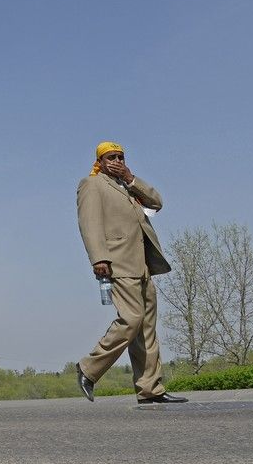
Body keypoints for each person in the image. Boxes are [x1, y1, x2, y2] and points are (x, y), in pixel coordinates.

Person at [75, 142, 187, 404]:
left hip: (143, 265)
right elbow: (89, 223)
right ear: (100, 162)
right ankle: (89, 368)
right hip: (117, 262)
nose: (117, 161)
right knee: (131, 319)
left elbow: (156, 202)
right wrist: (99, 258)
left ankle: (150, 389)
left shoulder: (127, 186)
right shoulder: (92, 184)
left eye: (121, 157)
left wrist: (130, 178)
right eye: (111, 157)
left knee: (146, 328)